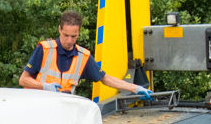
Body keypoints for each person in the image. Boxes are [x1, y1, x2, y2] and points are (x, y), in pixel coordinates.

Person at [19, 10, 151, 98]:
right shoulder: (45, 49)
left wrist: (135, 88)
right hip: (37, 108)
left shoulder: (83, 57)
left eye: (74, 36)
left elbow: (105, 78)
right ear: (59, 29)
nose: (69, 41)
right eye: (66, 35)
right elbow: (23, 80)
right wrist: (45, 86)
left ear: (79, 33)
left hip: (63, 110)